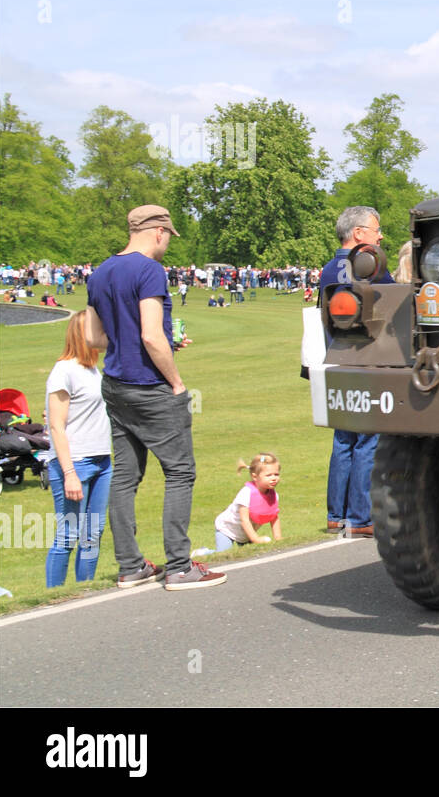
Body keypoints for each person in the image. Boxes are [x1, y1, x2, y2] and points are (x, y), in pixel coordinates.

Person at [85, 204, 225, 590]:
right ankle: (179, 566)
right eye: (168, 236)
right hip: (149, 385)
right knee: (180, 471)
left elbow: (93, 338)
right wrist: (177, 381)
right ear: (159, 232)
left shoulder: (100, 272)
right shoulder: (149, 270)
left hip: (114, 383)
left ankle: (130, 565)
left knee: (126, 475)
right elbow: (149, 334)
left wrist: (157, 342)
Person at [319, 207, 394, 536]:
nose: (380, 236)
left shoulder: (327, 269)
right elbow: (397, 300)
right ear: (359, 233)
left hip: (337, 360)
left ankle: (337, 515)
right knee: (368, 439)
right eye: (376, 230)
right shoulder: (368, 267)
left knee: (343, 442)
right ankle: (362, 518)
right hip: (366, 360)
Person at [44, 311, 113, 587]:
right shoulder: (64, 370)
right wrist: (69, 472)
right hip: (75, 463)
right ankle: (54, 597)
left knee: (93, 533)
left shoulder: (93, 370)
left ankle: (85, 592)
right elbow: (56, 427)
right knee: (68, 534)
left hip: (102, 461)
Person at [212, 453, 282, 551]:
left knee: (254, 554)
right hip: (227, 530)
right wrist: (255, 539)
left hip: (246, 534)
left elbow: (274, 517)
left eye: (276, 474)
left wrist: (278, 539)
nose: (274, 478)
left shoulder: (274, 496)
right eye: (269, 475)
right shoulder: (246, 493)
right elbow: (244, 520)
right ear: (255, 477)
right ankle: (202, 553)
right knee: (223, 553)